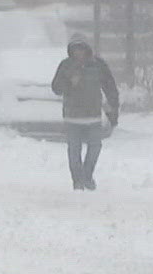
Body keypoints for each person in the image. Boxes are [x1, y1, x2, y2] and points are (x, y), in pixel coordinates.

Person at [49, 38, 119, 190]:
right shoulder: (66, 65)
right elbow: (56, 88)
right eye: (75, 49)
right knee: (74, 150)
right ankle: (77, 180)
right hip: (72, 117)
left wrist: (113, 110)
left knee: (95, 148)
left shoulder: (98, 65)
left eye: (81, 49)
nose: (78, 53)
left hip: (93, 116)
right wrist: (69, 83)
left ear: (87, 49)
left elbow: (110, 88)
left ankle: (87, 175)